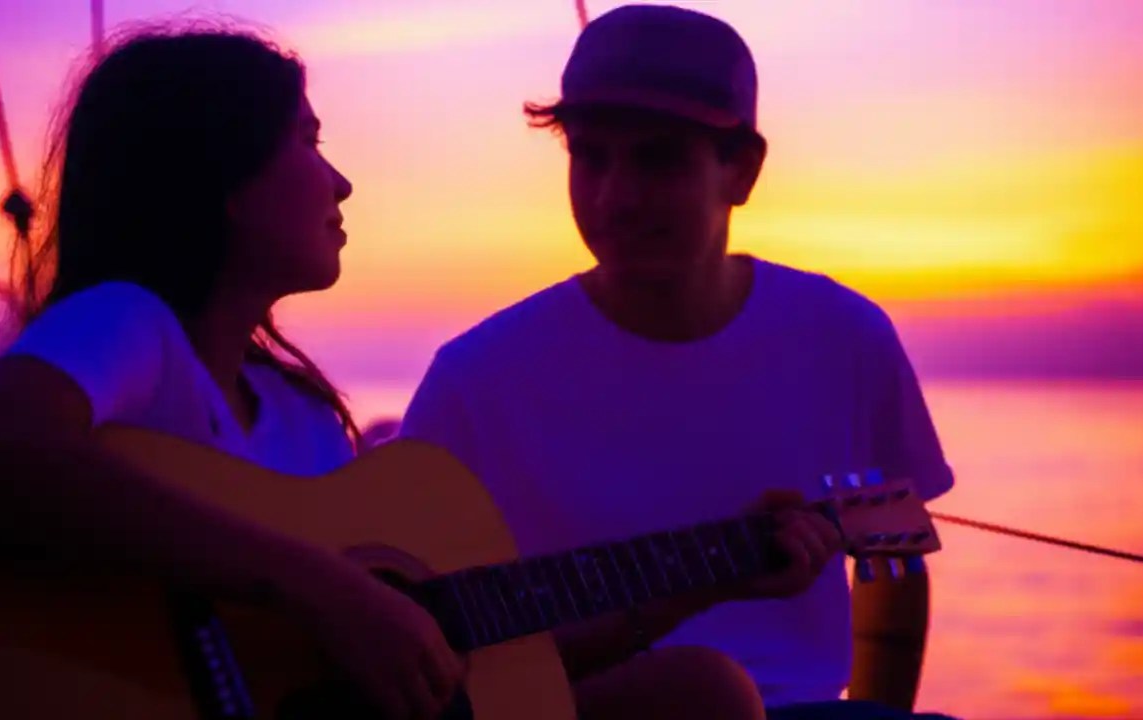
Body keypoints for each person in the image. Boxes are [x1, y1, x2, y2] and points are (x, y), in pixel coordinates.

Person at [0, 24, 764, 720]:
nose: (343, 181)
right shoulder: (131, 326)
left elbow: (439, 644)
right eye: (309, 142)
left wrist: (688, 586)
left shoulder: (303, 417)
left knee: (700, 690)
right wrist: (308, 581)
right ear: (227, 180)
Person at [400, 5, 957, 719]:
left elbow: (893, 557)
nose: (616, 197)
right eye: (589, 156)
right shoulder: (475, 381)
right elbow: (407, 629)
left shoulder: (844, 335)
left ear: (743, 171)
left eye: (658, 159)